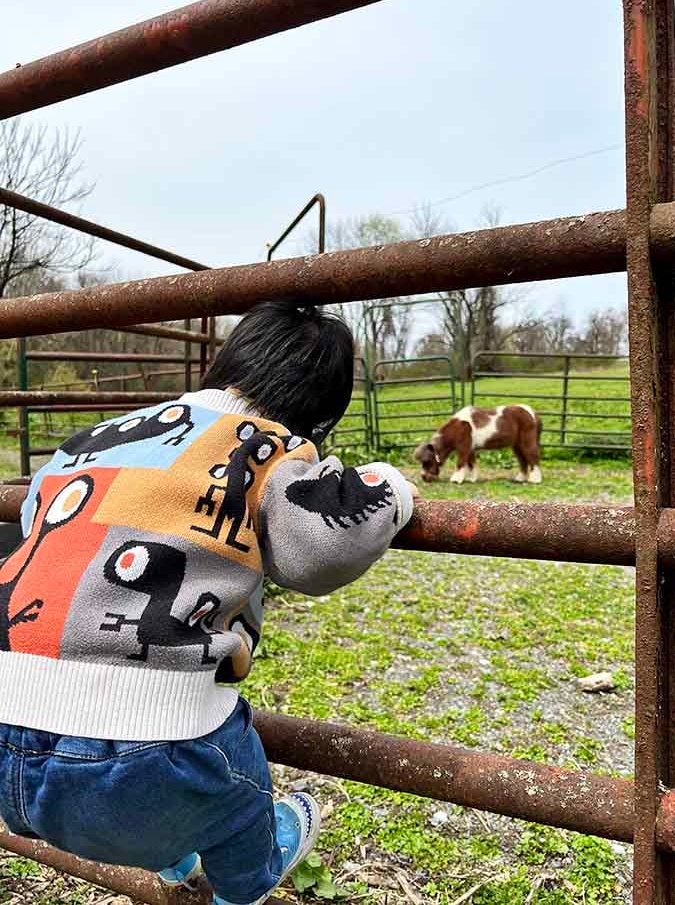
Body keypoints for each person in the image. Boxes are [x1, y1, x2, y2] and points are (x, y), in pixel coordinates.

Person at [0, 301, 418, 905]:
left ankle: (171, 854)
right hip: (151, 759)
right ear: (321, 417)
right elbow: (319, 552)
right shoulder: (272, 448)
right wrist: (392, 485)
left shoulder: (90, 440)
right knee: (238, 787)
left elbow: (37, 516)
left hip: (9, 746)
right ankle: (251, 870)